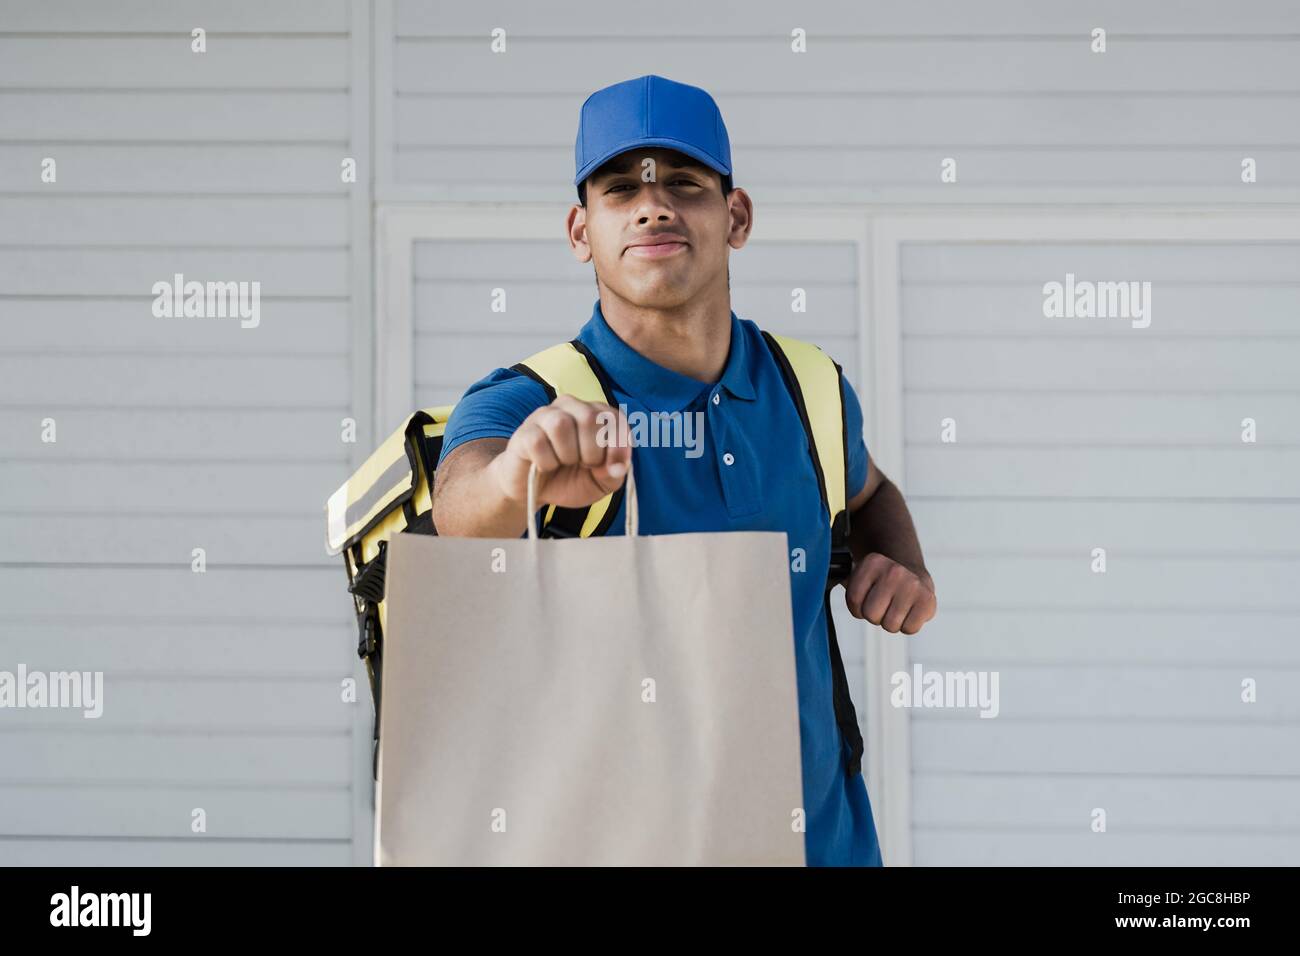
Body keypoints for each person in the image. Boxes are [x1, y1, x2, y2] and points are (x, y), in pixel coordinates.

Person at [431, 74, 936, 866]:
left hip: (822, 842)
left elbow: (869, 490)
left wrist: (899, 560)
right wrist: (514, 478)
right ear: (579, 230)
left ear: (735, 217)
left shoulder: (811, 389)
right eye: (620, 187)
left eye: (686, 184)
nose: (653, 204)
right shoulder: (531, 398)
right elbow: (458, 508)